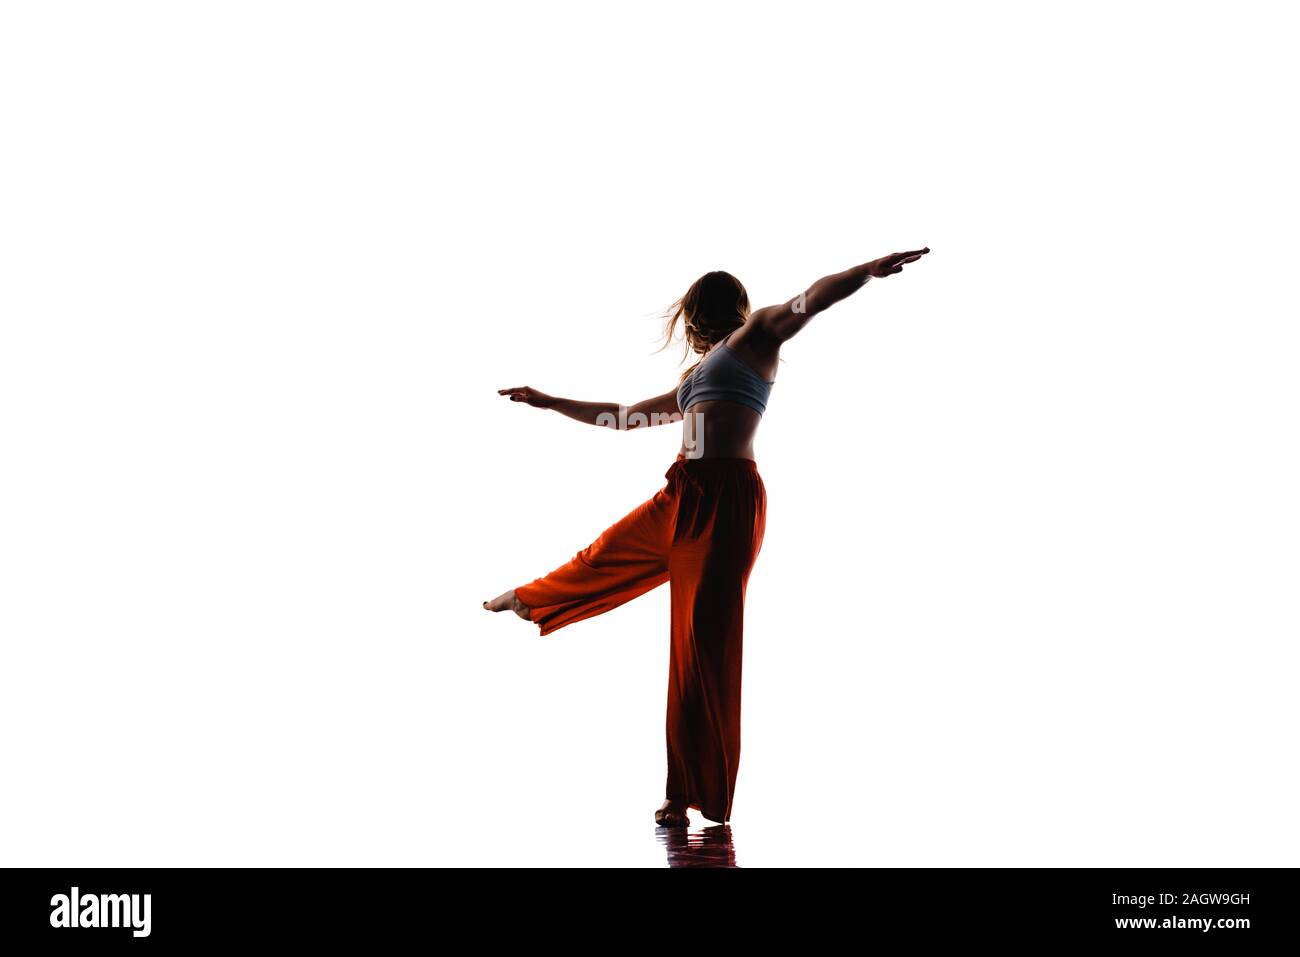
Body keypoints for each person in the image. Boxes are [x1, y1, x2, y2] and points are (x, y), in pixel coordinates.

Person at [485, 248, 931, 827]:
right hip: (680, 494)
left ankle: (686, 794)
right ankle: (533, 598)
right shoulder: (695, 377)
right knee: (603, 555)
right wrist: (550, 403)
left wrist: (865, 272)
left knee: (698, 650)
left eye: (690, 316)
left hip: (726, 501)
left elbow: (812, 298)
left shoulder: (755, 338)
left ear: (702, 314)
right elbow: (622, 416)